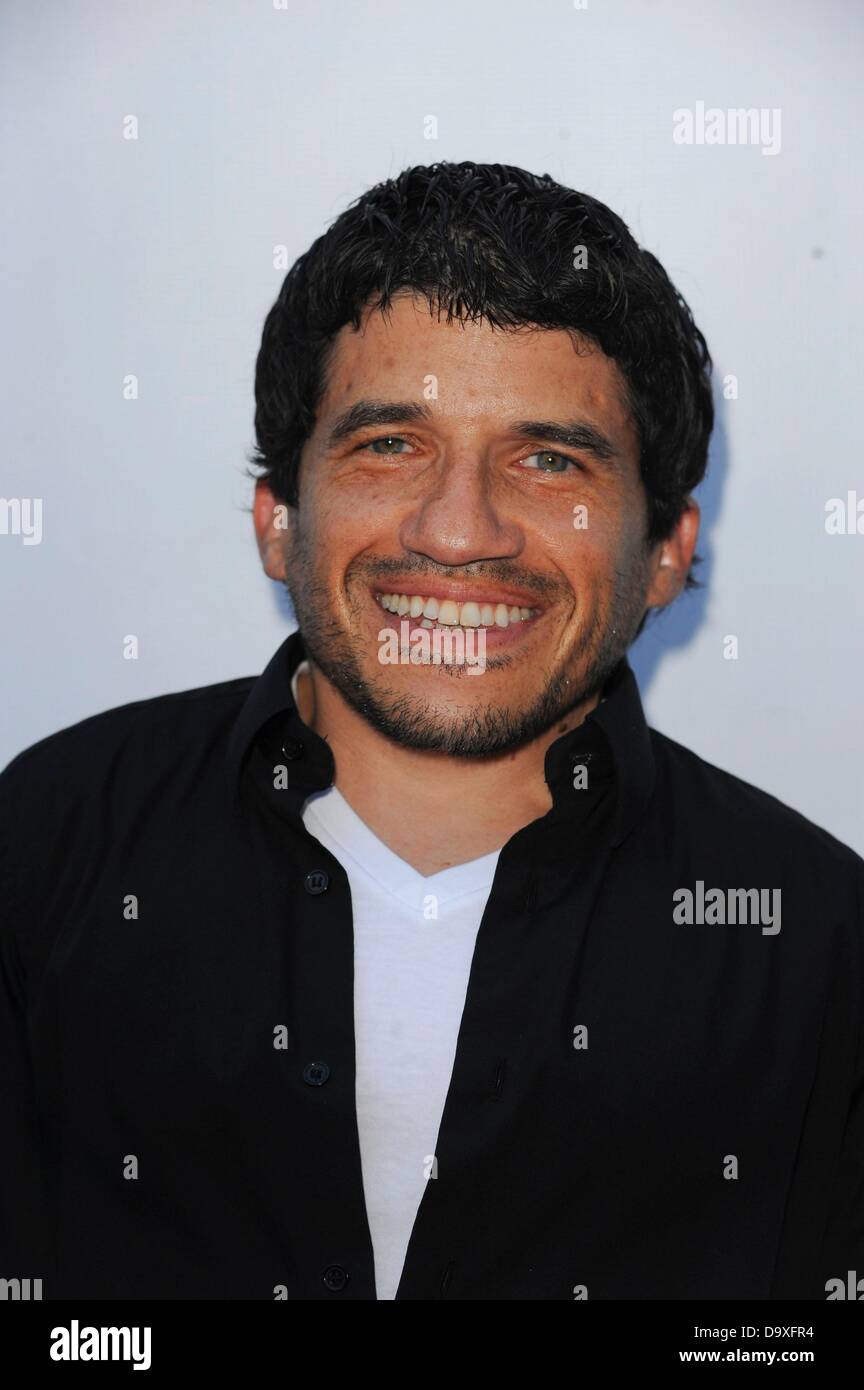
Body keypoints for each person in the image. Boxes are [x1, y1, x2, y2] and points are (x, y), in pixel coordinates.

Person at [1, 162, 861, 1302]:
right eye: (391, 444)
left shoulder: (818, 948)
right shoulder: (46, 845)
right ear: (277, 519)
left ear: (666, 552)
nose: (461, 532)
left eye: (549, 459)